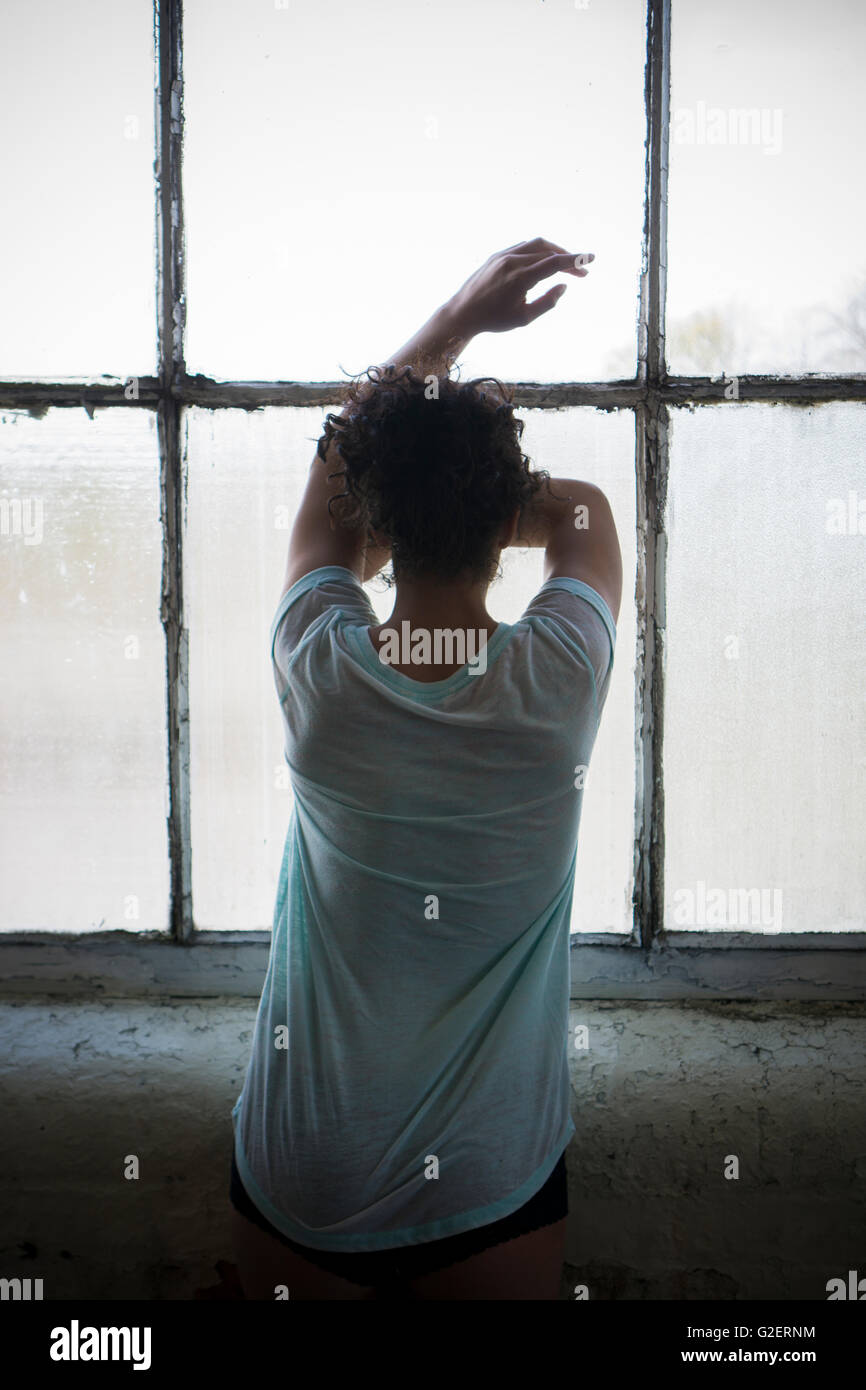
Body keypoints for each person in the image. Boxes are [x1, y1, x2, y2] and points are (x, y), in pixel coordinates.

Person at [229, 237, 623, 1300]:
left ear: (378, 514)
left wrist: (456, 317)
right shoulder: (554, 682)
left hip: (302, 1167)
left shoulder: (318, 662)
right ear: (506, 524)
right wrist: (495, 492)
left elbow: (336, 475)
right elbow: (581, 511)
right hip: (490, 1186)